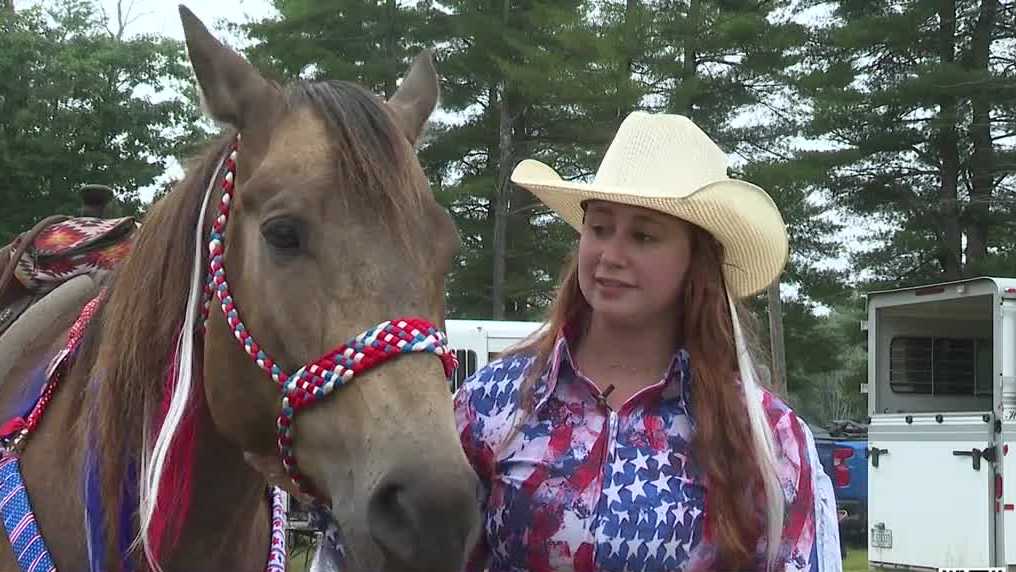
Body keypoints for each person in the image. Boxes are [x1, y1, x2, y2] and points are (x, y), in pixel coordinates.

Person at [453, 111, 841, 572]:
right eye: (598, 228)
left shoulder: (769, 439)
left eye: (642, 235)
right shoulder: (492, 402)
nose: (610, 255)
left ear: (696, 262)